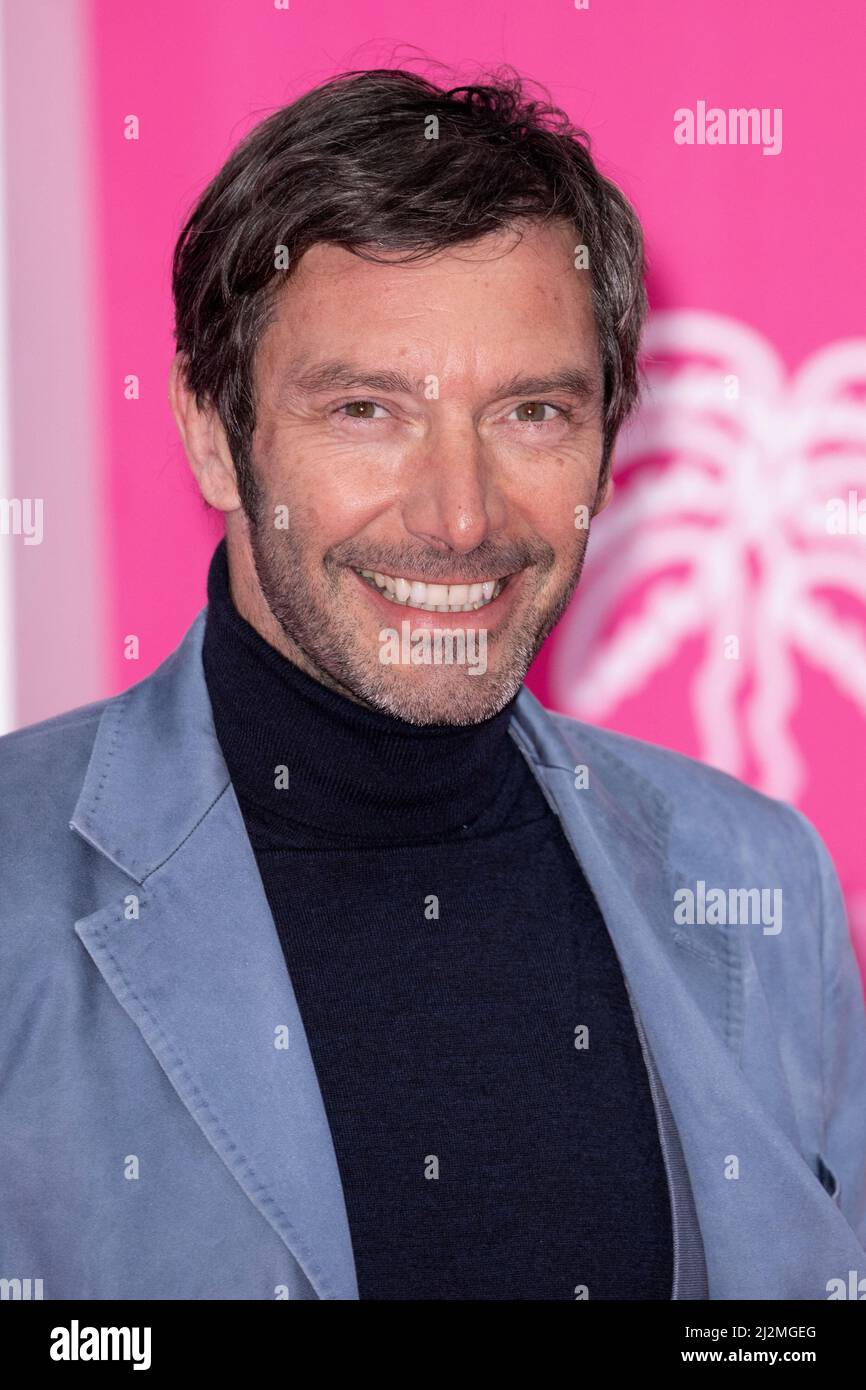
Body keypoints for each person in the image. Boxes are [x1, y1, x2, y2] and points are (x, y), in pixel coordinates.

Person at [1, 67, 864, 1302]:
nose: (458, 519)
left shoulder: (752, 879)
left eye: (529, 412)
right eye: (365, 409)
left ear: (610, 439)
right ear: (210, 427)